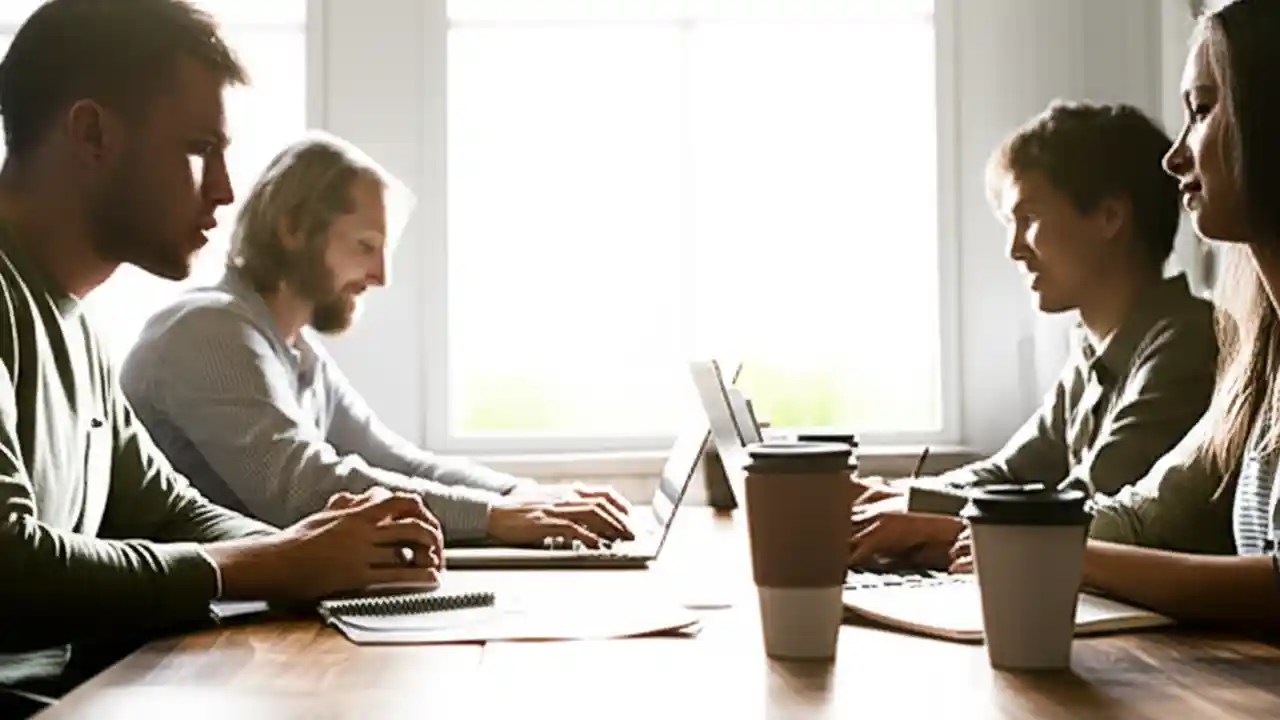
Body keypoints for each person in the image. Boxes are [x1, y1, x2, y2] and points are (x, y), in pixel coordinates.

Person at [0, 0, 443, 702]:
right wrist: (277, 561)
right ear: (91, 133)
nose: (226, 190)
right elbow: (12, 569)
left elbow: (169, 511)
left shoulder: (76, 323)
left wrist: (329, 556)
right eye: (198, 149)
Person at [121, 134, 635, 548]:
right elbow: (307, 489)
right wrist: (494, 516)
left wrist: (528, 496)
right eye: (365, 246)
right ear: (293, 227)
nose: (381, 275)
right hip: (160, 649)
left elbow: (395, 460)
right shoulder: (208, 331)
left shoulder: (293, 349)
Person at [950, 0, 1280, 629]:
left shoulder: (1185, 342)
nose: (1175, 157)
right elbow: (1139, 511)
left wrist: (1055, 552)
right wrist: (979, 528)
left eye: (1203, 110)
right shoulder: (1260, 352)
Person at [847, 101, 1218, 569]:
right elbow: (1010, 471)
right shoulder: (1093, 348)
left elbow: (1084, 503)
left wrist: (931, 522)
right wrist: (898, 498)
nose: (1014, 248)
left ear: (1109, 216)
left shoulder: (1184, 343)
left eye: (1030, 218)